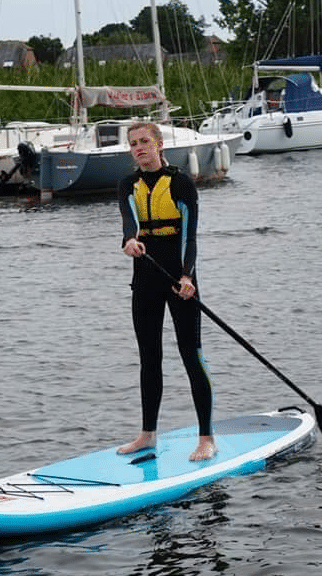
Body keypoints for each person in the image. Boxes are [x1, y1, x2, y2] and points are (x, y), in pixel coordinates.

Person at [116, 121, 216, 462]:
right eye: (133, 144)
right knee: (149, 358)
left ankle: (206, 437)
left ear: (159, 145)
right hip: (145, 278)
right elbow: (129, 224)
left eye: (144, 141)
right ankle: (147, 435)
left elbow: (190, 237)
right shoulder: (127, 185)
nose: (139, 147)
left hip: (179, 279)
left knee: (191, 354)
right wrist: (129, 241)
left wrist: (187, 276)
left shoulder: (181, 183)